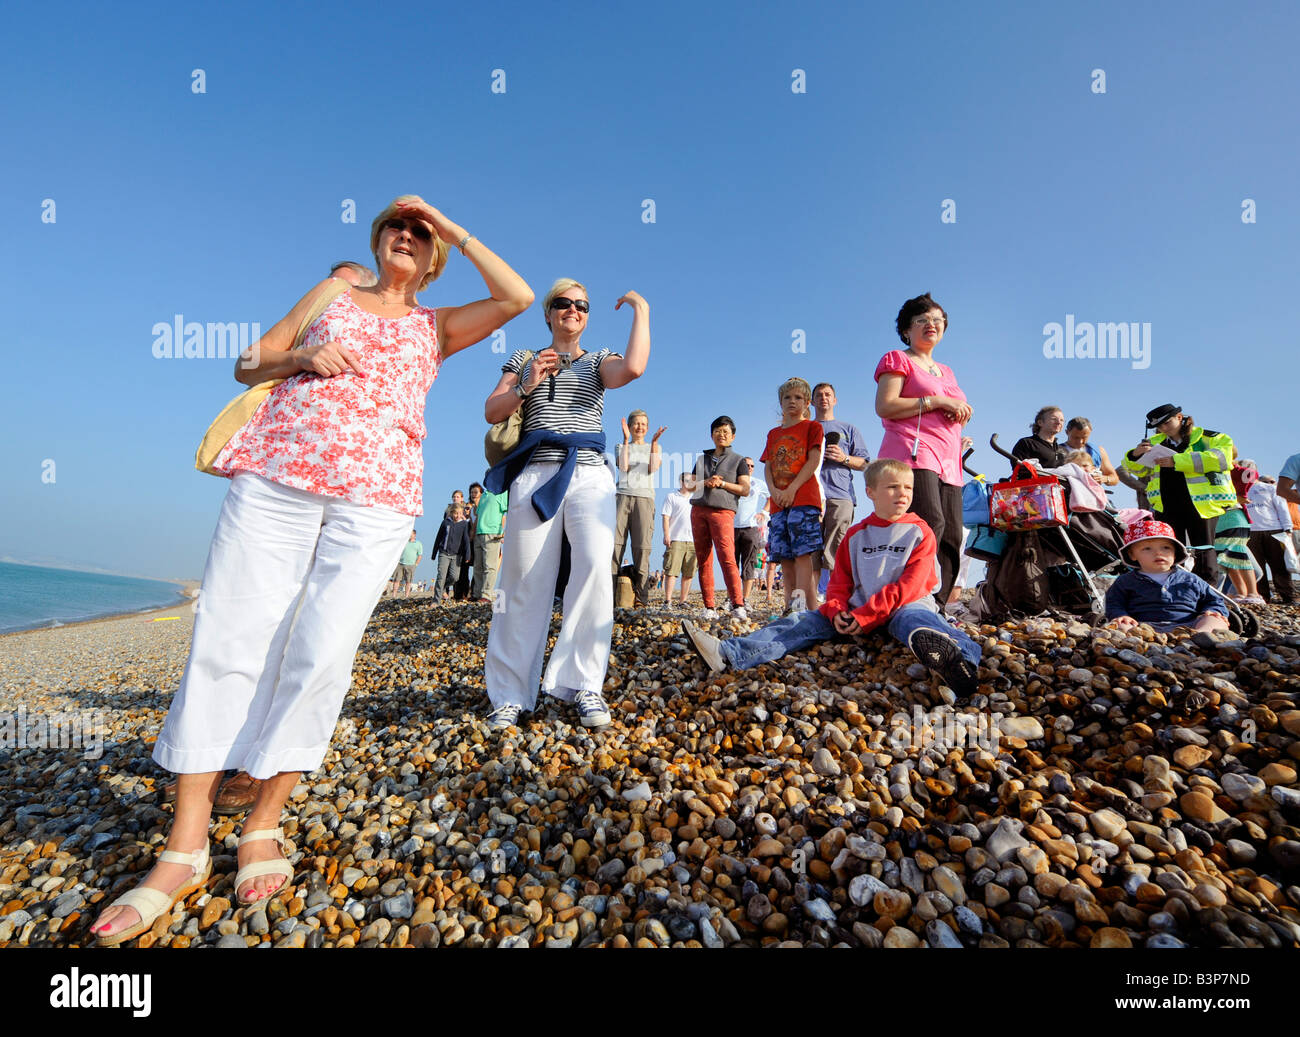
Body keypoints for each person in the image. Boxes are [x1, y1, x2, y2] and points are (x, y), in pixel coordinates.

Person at [91, 195, 532, 944]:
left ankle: (262, 822)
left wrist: (449, 223)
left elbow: (517, 296)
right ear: (376, 238)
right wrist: (299, 356)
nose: (406, 233)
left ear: (433, 257)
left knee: (322, 652)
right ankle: (185, 844)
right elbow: (247, 360)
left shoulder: (438, 324)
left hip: (377, 501)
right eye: (397, 223)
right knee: (227, 638)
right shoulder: (333, 293)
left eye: (420, 233)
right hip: (278, 477)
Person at [482, 278, 650, 731]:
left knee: (596, 567)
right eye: (562, 303)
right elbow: (493, 410)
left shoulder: (598, 361)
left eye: (581, 305)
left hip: (589, 472)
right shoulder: (524, 358)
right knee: (522, 580)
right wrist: (526, 385)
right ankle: (510, 693)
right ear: (549, 312)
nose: (572, 310)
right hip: (536, 470)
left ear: (587, 316)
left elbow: (633, 369)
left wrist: (640, 307)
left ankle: (583, 683)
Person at [681, 459, 981, 701]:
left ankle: (963, 662)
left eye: (908, 488)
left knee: (915, 623)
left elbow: (910, 586)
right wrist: (837, 610)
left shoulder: (921, 531)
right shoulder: (856, 534)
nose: (902, 494)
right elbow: (839, 582)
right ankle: (728, 653)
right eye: (892, 487)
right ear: (871, 492)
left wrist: (866, 616)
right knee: (801, 622)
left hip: (906, 606)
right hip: (857, 610)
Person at [873, 293, 972, 607]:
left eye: (938, 320)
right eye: (923, 320)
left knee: (954, 534)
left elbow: (948, 411)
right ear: (907, 330)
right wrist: (940, 401)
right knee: (929, 521)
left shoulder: (948, 370)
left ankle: (939, 604)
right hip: (912, 451)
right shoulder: (897, 359)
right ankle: (911, 594)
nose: (932, 325)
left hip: (949, 458)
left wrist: (959, 420)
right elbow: (885, 406)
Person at [1122, 404, 1235, 586]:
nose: (1163, 429)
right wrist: (1135, 455)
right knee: (1171, 547)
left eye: (1166, 423)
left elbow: (1222, 459)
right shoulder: (1156, 442)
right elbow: (1136, 469)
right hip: (1166, 503)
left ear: (1180, 417)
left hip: (1201, 502)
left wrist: (1176, 461)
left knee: (1203, 548)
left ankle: (1208, 590)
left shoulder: (1211, 438)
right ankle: (1176, 586)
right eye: (1158, 427)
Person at [763, 379, 823, 613]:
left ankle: (804, 604)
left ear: (807, 402)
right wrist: (774, 492)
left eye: (798, 398)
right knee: (784, 556)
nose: (792, 402)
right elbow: (768, 466)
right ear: (781, 402)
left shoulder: (812, 427)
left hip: (804, 498)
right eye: (787, 398)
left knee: (802, 554)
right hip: (778, 503)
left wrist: (791, 489)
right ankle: (792, 606)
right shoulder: (773, 433)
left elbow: (813, 460)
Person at [1105, 519, 1230, 633]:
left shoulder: (1191, 579)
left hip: (1189, 625)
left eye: (1166, 547)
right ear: (1132, 555)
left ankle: (1200, 636)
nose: (1159, 553)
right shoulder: (1125, 581)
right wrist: (1120, 615)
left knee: (1215, 621)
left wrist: (1212, 611)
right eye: (1147, 549)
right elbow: (1114, 603)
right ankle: (1137, 639)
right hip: (1141, 627)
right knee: (1121, 626)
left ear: (1175, 553)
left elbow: (1214, 600)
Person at [691, 415, 752, 620]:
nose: (721, 435)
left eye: (725, 431)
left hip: (723, 511)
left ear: (732, 436)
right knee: (703, 559)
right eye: (717, 431)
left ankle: (738, 604)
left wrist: (723, 484)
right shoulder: (701, 459)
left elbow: (744, 489)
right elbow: (690, 485)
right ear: (711, 435)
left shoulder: (739, 460)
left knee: (727, 557)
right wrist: (705, 482)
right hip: (699, 510)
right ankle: (709, 607)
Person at [812, 382, 870, 593]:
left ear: (835, 400)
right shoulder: (807, 429)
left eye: (828, 394)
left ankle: (833, 592)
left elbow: (865, 464)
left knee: (837, 544)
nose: (823, 398)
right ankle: (813, 594)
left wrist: (843, 457)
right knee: (811, 546)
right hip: (810, 495)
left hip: (841, 494)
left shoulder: (849, 429)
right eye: (819, 395)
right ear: (812, 401)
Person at [613, 409, 665, 605]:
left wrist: (653, 443)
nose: (640, 427)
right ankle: (610, 597)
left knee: (642, 549)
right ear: (630, 426)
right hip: (623, 497)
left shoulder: (655, 448)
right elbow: (624, 467)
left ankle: (641, 598)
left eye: (643, 424)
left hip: (644, 499)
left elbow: (653, 467)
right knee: (615, 547)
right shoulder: (621, 445)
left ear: (648, 427)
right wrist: (626, 440)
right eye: (636, 423)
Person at [1247, 470, 1295, 604]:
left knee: (1279, 563)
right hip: (1251, 531)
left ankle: (1287, 596)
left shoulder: (1271, 489)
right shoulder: (1241, 489)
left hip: (1273, 529)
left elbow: (1282, 508)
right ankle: (1263, 596)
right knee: (1257, 565)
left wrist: (1287, 528)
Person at [733, 456, 770, 603]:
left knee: (749, 564)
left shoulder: (759, 483)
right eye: (746, 465)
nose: (749, 468)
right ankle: (732, 597)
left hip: (751, 528)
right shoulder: (732, 481)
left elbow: (771, 498)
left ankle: (745, 598)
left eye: (752, 466)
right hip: (732, 527)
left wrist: (764, 513)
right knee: (732, 563)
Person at [661, 472, 697, 607]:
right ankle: (667, 600)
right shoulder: (671, 497)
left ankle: (683, 601)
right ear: (681, 481)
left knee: (689, 572)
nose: (689, 483)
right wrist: (666, 535)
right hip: (675, 538)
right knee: (671, 571)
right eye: (687, 480)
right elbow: (665, 517)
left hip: (693, 540)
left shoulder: (696, 498)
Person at [472, 486, 508, 601]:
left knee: (489, 566)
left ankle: (486, 595)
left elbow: (507, 513)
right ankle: (477, 593)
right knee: (478, 567)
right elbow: (478, 516)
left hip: (493, 533)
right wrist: (473, 532)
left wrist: (504, 531)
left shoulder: (502, 493)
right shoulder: (483, 496)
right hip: (479, 533)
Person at [431, 503, 473, 600]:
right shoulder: (445, 522)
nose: (457, 516)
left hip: (456, 555)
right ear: (451, 513)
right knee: (441, 575)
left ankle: (441, 587)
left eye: (459, 513)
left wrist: (468, 555)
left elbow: (466, 540)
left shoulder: (463, 524)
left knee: (454, 577)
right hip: (444, 553)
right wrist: (434, 553)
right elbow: (438, 538)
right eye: (455, 513)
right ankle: (436, 600)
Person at [1063, 416, 1119, 486]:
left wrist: (1104, 478)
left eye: (1084, 437)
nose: (1080, 441)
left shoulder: (1098, 451)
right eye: (1076, 437)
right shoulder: (1056, 451)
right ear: (1067, 432)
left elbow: (1115, 478)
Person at [391, 529, 423, 596]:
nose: (410, 535)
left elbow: (420, 555)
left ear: (414, 535)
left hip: (411, 565)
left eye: (411, 534)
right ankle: (394, 595)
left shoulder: (418, 544)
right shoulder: (404, 542)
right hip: (400, 563)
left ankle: (406, 596)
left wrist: (416, 564)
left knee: (408, 581)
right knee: (397, 580)